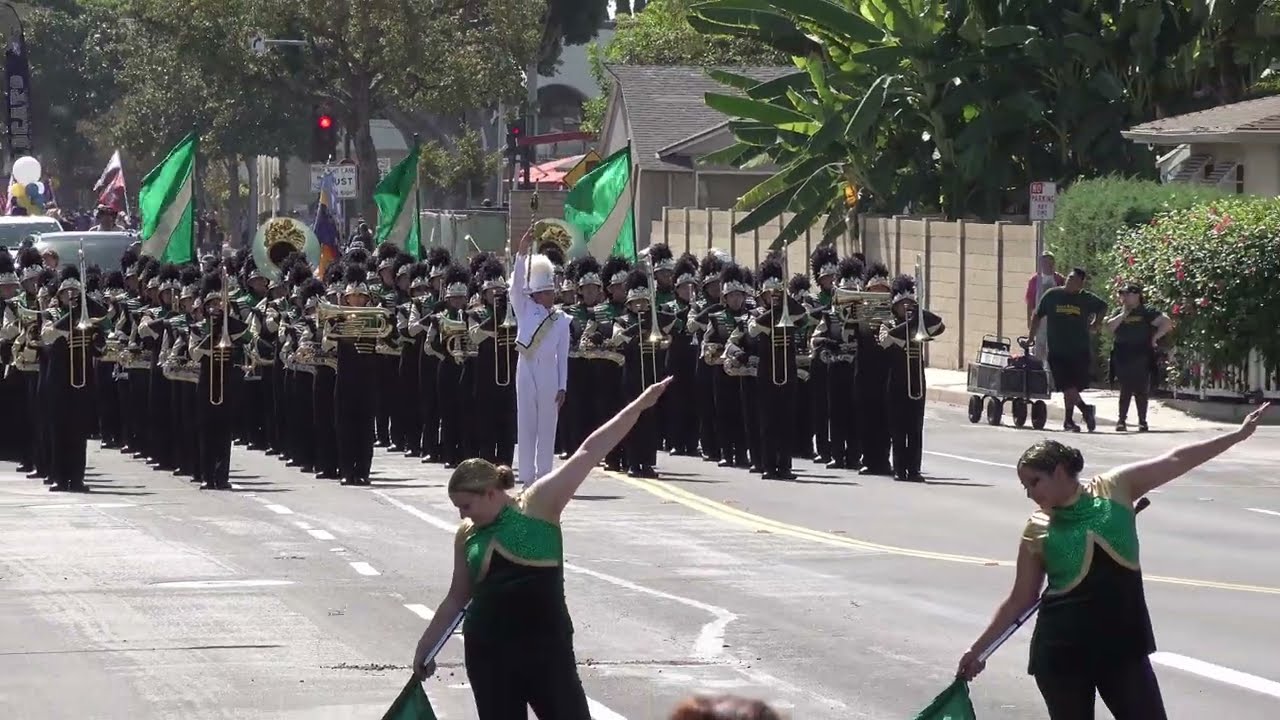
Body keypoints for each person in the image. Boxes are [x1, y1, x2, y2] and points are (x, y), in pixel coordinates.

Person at [956, 405, 1269, 720]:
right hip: (1062, 655)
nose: (1029, 493)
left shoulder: (1115, 488)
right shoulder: (1037, 529)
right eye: (1025, 486)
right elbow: (1020, 600)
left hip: (1123, 648)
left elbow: (1176, 459)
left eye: (1034, 482)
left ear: (1061, 470)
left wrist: (1237, 435)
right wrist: (978, 649)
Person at [411, 377, 673, 720]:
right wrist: (425, 645)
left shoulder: (538, 506)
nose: (461, 514)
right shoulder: (467, 534)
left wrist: (638, 406)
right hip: (488, 654)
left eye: (466, 505)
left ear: (491, 493)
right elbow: (457, 598)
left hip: (547, 651)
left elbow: (589, 450)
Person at [510, 229, 571, 488]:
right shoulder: (524, 309)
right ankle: (526, 476)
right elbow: (515, 287)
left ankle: (544, 475)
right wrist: (522, 253)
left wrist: (562, 385)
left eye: (551, 292)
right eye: (544, 292)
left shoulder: (562, 320)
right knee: (526, 423)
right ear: (534, 294)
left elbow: (563, 355)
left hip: (549, 372)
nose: (550, 296)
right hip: (525, 368)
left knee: (548, 425)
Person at [1029, 268, 1106, 432]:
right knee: (1065, 385)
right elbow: (1037, 315)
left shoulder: (1085, 298)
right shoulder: (1052, 295)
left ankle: (1069, 421)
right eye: (1069, 278)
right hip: (1057, 350)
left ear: (1081, 284)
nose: (1070, 282)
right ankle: (1085, 409)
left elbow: (1102, 306)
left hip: (1079, 350)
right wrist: (1031, 337)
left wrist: (1096, 323)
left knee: (1072, 387)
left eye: (1075, 280)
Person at [1106, 284, 1172, 432]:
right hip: (1122, 353)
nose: (1124, 297)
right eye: (1123, 294)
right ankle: (1121, 420)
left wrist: (1155, 338)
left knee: (1141, 389)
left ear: (1137, 296)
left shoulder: (1146, 311)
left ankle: (1142, 421)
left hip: (1141, 353)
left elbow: (1166, 322)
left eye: (1127, 294)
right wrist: (1123, 314)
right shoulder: (1119, 311)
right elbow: (1110, 327)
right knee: (1125, 388)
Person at [1026, 252, 1065, 361]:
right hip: (1039, 317)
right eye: (1044, 262)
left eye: (1049, 262)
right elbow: (1030, 301)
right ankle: (1039, 373)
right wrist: (1029, 320)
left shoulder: (1059, 279)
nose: (1047, 265)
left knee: (1052, 347)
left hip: (1054, 318)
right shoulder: (1034, 280)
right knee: (1039, 346)